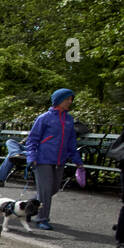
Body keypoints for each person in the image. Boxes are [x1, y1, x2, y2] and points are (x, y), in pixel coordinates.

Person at [26, 88, 85, 230]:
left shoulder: (69, 119)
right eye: (67, 99)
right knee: (45, 191)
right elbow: (32, 139)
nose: (70, 102)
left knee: (53, 189)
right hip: (42, 159)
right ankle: (42, 219)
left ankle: (28, 207)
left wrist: (78, 161)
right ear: (58, 100)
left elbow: (71, 142)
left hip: (59, 160)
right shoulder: (44, 118)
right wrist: (32, 157)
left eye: (71, 99)